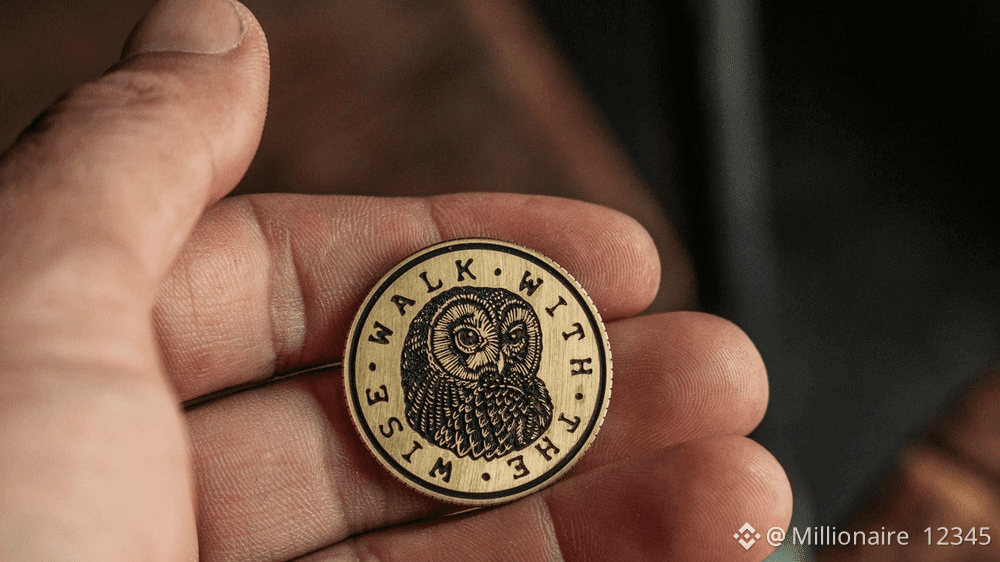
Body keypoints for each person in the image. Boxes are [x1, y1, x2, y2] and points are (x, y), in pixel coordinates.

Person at [0, 0, 792, 559]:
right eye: (476, 338)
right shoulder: (429, 400)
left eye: (508, 340)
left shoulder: (533, 401)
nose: (495, 353)